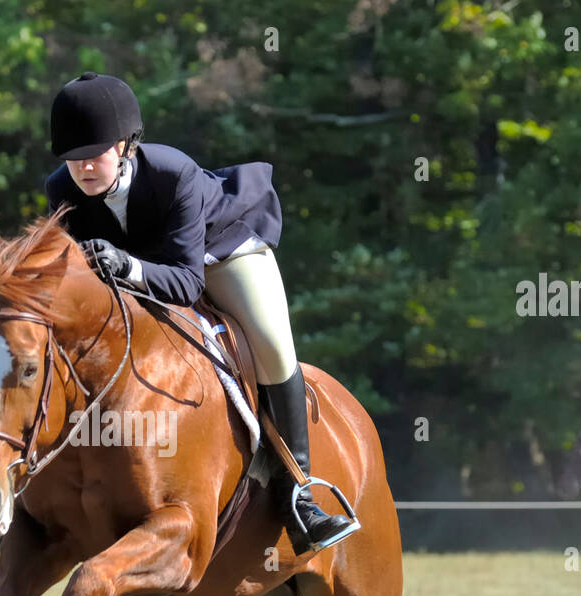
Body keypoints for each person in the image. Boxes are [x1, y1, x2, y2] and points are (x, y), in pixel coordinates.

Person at [43, 71, 355, 554]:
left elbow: (187, 284)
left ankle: (300, 495)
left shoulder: (173, 173)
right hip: (139, 270)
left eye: (94, 156)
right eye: (73, 159)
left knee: (271, 345)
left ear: (126, 145)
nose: (82, 169)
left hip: (218, 254)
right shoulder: (61, 188)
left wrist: (125, 264)